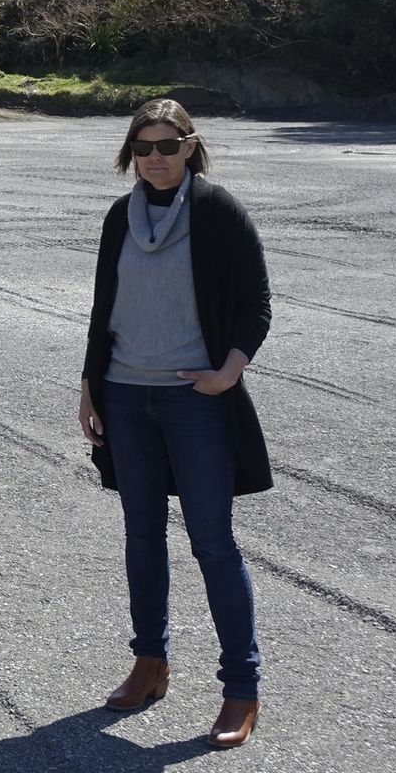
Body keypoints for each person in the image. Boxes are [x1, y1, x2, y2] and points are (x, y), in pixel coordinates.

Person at [77, 99, 273, 749]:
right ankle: (149, 663)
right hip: (127, 397)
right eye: (143, 147)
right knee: (141, 539)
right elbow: (106, 304)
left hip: (196, 401)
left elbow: (256, 304)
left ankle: (241, 691)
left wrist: (229, 372)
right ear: (130, 153)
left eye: (167, 145)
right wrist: (90, 385)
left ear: (191, 147)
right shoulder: (118, 217)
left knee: (213, 544)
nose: (155, 157)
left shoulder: (217, 212)